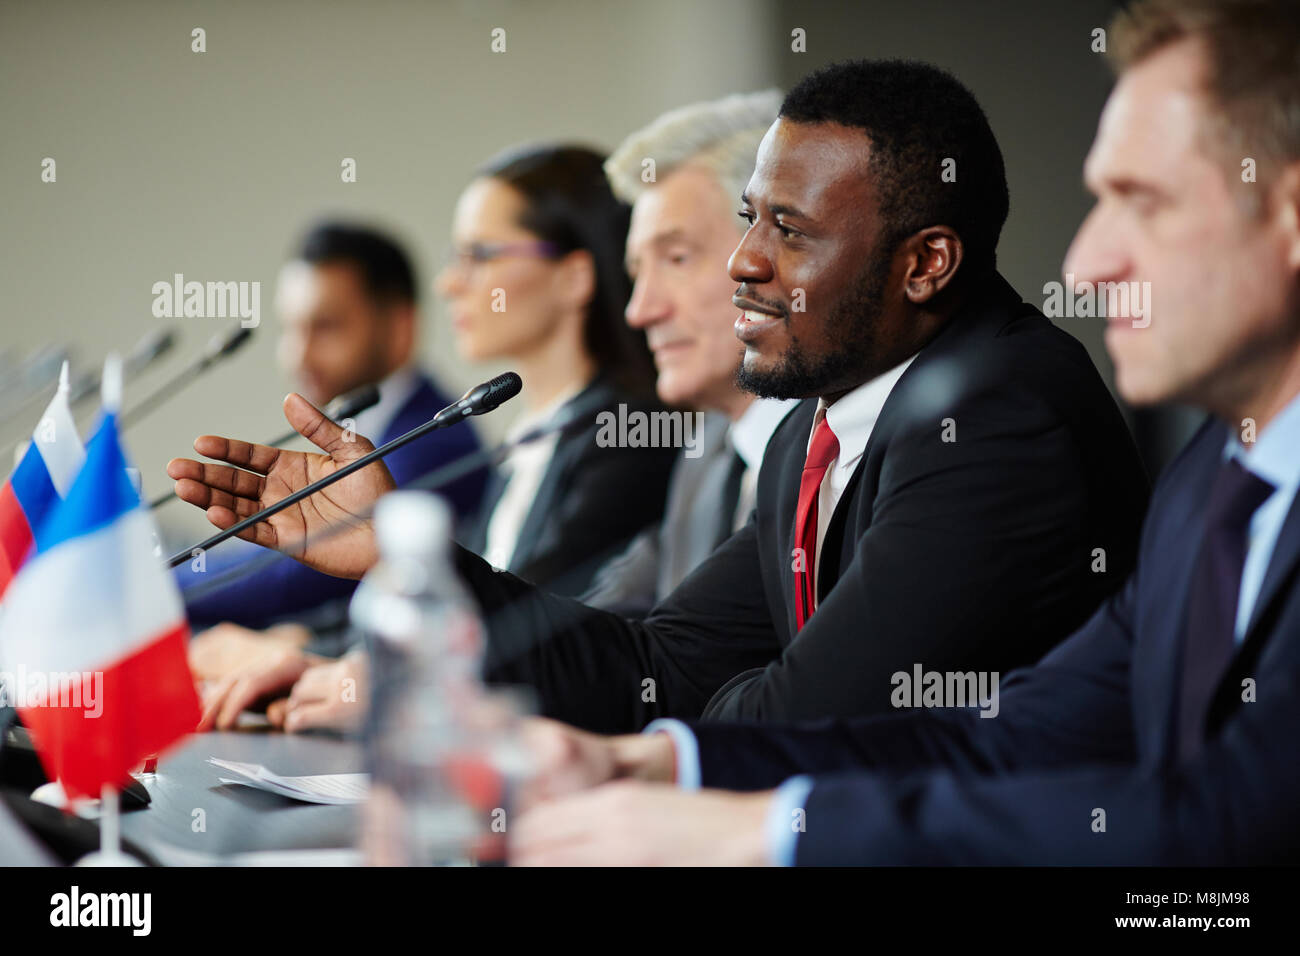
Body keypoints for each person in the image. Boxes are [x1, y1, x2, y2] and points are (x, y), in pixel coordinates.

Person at [508, 0, 1300, 866]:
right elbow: (1007, 738)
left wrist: (762, 828)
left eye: (1141, 201)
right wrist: (660, 759)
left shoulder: (1003, 411)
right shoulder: (1211, 482)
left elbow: (1235, 823)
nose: (1086, 263)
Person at [168, 61, 1148, 736]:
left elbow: (804, 724)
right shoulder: (821, 420)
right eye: (747, 219)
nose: (744, 262)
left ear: (925, 262)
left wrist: (619, 739)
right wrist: (398, 551)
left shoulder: (995, 416)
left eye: (792, 231)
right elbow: (658, 663)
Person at [183, 144, 677, 730]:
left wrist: (313, 660)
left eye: (480, 255)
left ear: (573, 277)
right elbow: (475, 589)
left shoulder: (628, 438)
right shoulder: (529, 435)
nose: (448, 283)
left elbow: (535, 631)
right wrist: (305, 644)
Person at [177, 222, 487, 641]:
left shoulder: (437, 441)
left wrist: (153, 586)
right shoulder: (354, 427)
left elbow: (292, 575)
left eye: (325, 327)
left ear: (400, 328)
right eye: (291, 328)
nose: (298, 355)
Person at [582, 89, 799, 616]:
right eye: (636, 273)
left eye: (676, 258)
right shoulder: (706, 450)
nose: (640, 311)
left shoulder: (851, 453)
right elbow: (609, 631)